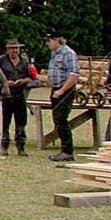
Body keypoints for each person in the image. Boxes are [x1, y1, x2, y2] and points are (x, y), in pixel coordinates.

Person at [45, 32, 81, 163]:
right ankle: (64, 150)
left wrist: (61, 91)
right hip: (56, 90)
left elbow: (74, 74)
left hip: (65, 91)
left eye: (48, 41)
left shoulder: (68, 53)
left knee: (61, 119)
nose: (47, 44)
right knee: (57, 120)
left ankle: (67, 151)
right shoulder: (55, 54)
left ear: (56, 40)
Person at [0, 40, 33, 156]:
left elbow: (30, 77)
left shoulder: (24, 61)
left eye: (16, 48)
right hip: (6, 95)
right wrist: (6, 83)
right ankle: (4, 146)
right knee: (4, 122)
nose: (15, 51)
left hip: (20, 94)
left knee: (21, 122)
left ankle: (21, 147)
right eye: (12, 48)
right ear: (7, 49)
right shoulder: (0, 61)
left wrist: (23, 81)